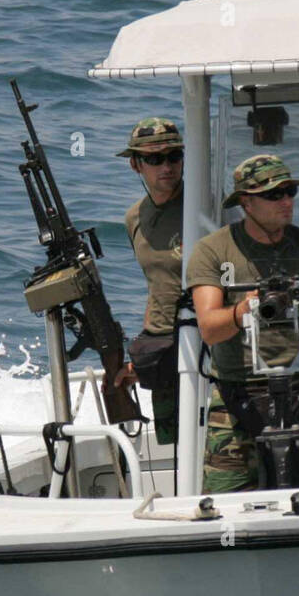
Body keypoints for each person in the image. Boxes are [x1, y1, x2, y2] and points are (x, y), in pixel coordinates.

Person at [185, 154, 299, 494]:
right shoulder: (213, 251)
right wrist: (245, 310)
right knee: (226, 501)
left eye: (290, 192)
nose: (286, 201)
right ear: (246, 201)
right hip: (236, 389)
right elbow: (210, 328)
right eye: (274, 194)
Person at [112, 117, 185, 444]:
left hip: (200, 342)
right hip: (159, 347)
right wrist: (141, 353)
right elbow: (155, 285)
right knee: (177, 448)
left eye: (173, 157)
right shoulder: (135, 218)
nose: (166, 166)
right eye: (154, 159)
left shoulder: (205, 206)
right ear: (135, 165)